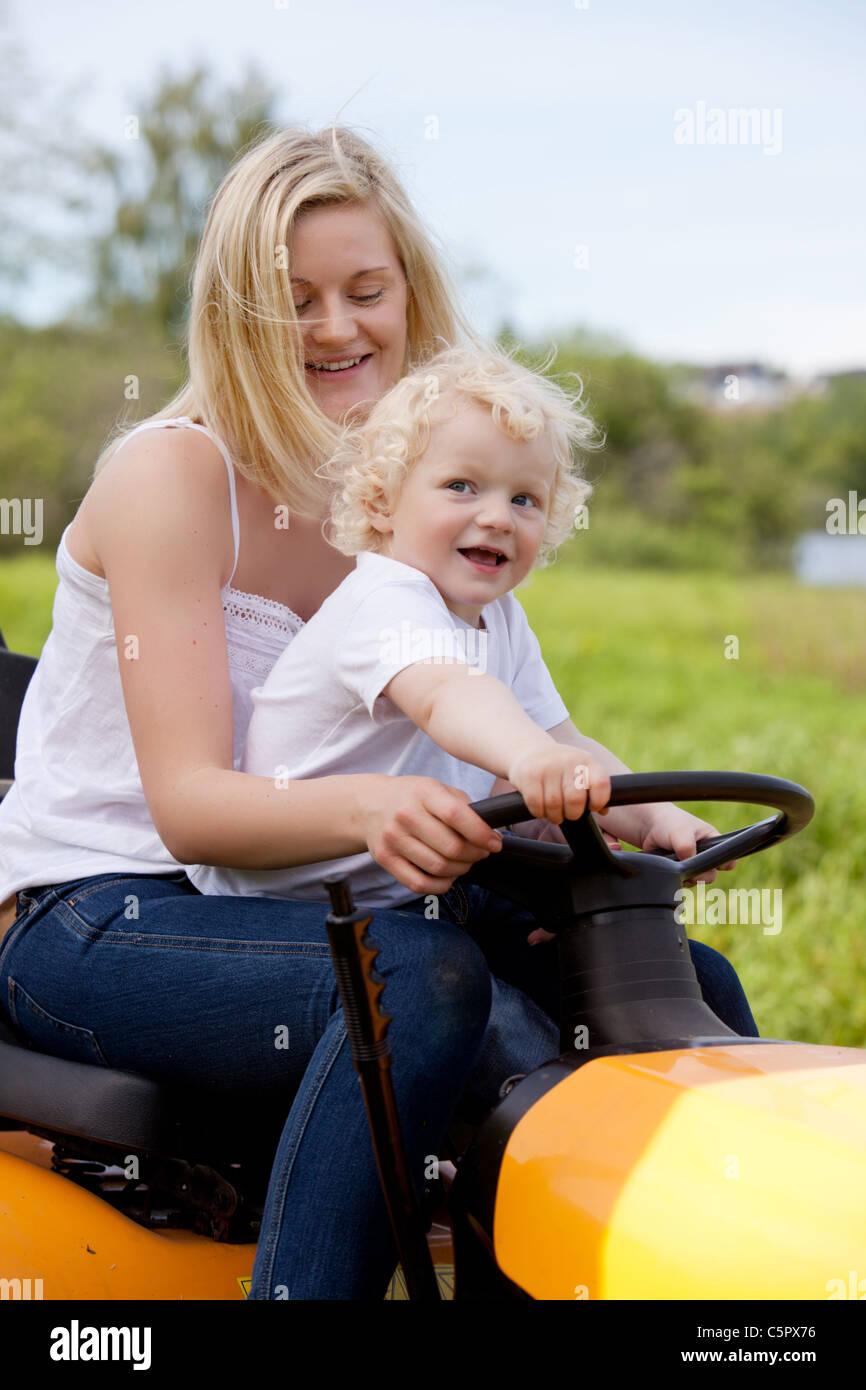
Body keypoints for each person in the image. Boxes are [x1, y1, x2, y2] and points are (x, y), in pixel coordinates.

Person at [0, 124, 757, 1303]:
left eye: (365, 291)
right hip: (102, 913)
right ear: (234, 315)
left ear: (411, 292)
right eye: (292, 301)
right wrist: (378, 806)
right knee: (415, 977)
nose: (338, 328)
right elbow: (192, 811)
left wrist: (627, 812)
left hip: (322, 897)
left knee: (680, 978)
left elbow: (517, 723)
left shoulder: (418, 496)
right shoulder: (172, 481)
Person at [187, 343, 741, 943]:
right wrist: (529, 759)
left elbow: (565, 741)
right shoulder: (383, 601)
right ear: (382, 503)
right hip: (285, 903)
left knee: (658, 953)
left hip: (415, 891)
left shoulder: (500, 617)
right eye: (462, 486)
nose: (499, 516)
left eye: (523, 498)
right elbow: (447, 694)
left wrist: (653, 817)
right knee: (441, 978)